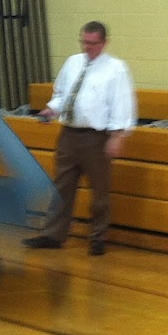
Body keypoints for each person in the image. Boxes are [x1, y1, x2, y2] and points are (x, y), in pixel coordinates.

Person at [24, 20, 136, 256]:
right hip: (69, 134)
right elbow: (62, 93)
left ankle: (97, 238)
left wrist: (118, 135)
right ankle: (52, 235)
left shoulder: (116, 68)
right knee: (61, 186)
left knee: (99, 191)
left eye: (93, 43)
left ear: (104, 43)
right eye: (84, 42)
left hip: (97, 137)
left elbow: (122, 103)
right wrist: (51, 109)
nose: (87, 47)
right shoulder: (73, 63)